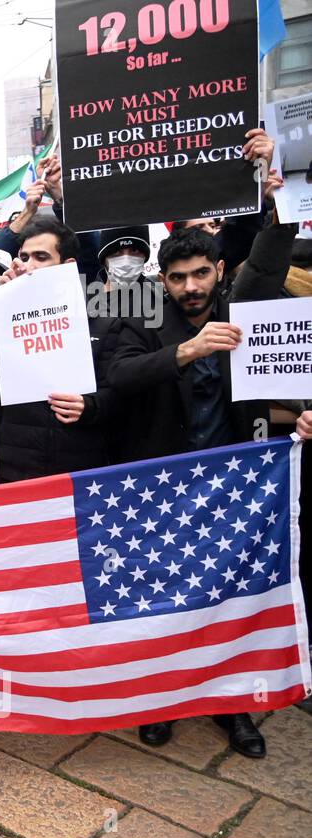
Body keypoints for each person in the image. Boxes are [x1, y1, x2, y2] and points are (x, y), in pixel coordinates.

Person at [107, 226, 275, 758]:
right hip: (163, 490)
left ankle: (233, 705)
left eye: (201, 273)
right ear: (163, 282)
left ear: (220, 271)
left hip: (233, 489)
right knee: (162, 598)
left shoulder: (245, 315)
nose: (191, 286)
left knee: (230, 597)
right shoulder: (144, 319)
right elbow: (120, 374)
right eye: (178, 278)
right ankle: (162, 701)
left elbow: (276, 385)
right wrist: (185, 350)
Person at [0, 218, 119, 484]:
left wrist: (90, 406)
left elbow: (118, 391)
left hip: (83, 468)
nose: (28, 265)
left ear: (67, 266)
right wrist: (1, 299)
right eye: (24, 257)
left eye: (40, 257)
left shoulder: (99, 320)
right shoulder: (3, 314)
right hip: (19, 468)